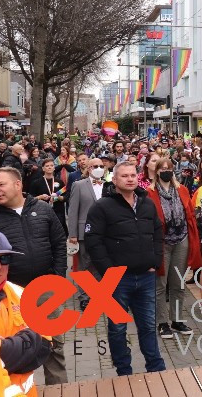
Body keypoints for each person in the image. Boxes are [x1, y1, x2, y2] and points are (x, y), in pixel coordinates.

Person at [0, 167, 68, 385]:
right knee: (5, 349)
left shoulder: (42, 209)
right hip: (7, 296)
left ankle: (58, 388)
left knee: (53, 346)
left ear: (18, 184)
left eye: (1, 185)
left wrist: (58, 278)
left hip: (44, 290)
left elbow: (59, 243)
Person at [84, 161, 166, 376]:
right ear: (115, 179)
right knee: (118, 328)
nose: (130, 179)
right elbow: (93, 241)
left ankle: (156, 368)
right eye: (124, 176)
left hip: (146, 277)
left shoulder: (147, 203)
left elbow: (158, 233)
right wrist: (109, 270)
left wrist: (155, 261)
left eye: (133, 175)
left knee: (148, 325)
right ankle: (123, 370)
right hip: (117, 279)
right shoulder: (102, 206)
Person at [0, 229, 52, 397]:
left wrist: (3, 348)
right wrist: (27, 342)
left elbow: (45, 345)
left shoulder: (20, 293)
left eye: (5, 258)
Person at [146, 157, 201, 339]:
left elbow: (190, 215)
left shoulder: (182, 190)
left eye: (168, 168)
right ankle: (162, 322)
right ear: (156, 171)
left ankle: (177, 320)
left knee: (178, 283)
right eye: (162, 168)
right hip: (162, 241)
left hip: (181, 239)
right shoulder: (150, 192)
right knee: (160, 284)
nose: (165, 171)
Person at [67, 157, 107, 310]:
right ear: (89, 168)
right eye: (95, 166)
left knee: (99, 264)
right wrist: (73, 234)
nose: (98, 168)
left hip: (104, 232)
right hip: (84, 232)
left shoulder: (107, 185)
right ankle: (84, 297)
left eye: (101, 166)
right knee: (84, 265)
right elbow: (73, 210)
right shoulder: (79, 185)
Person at [28, 158, 67, 234]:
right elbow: (30, 199)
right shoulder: (36, 183)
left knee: (59, 234)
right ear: (43, 168)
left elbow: (66, 197)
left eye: (51, 165)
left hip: (58, 212)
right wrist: (40, 197)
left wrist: (58, 197)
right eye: (47, 166)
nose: (49, 167)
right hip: (42, 212)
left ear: (54, 167)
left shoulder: (60, 182)